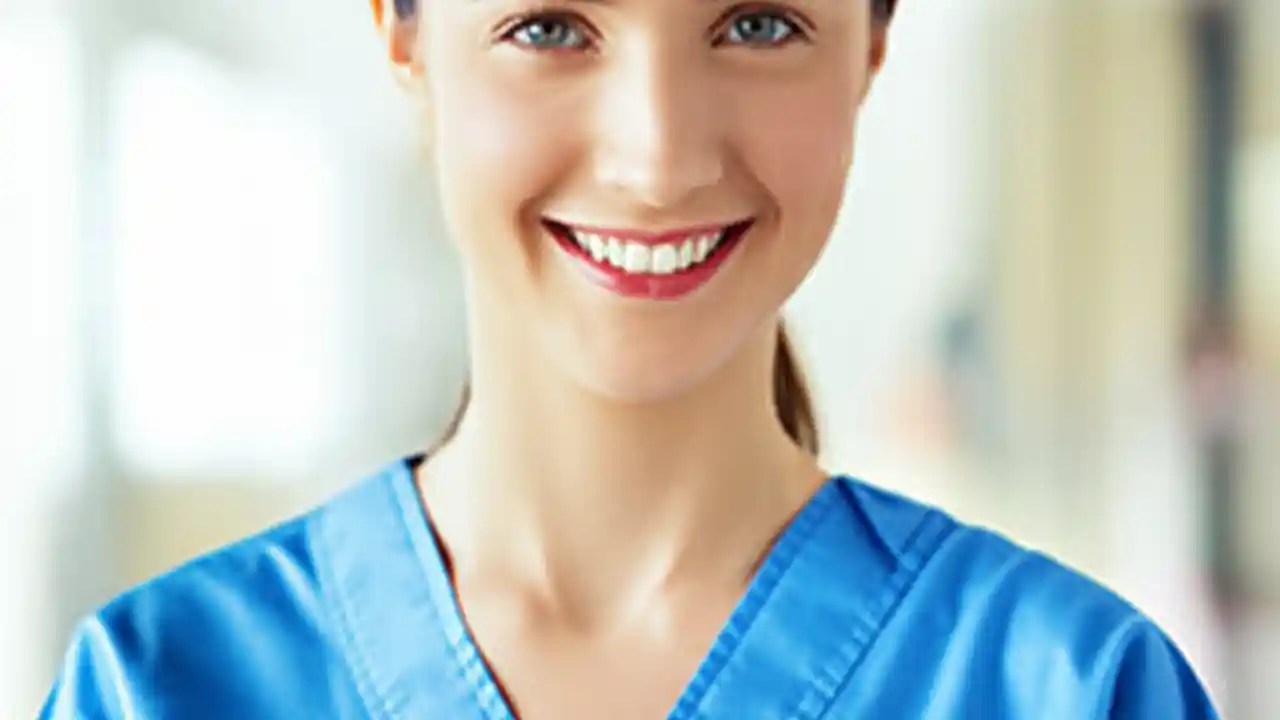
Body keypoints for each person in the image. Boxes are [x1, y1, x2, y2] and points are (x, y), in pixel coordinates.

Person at [41, 0, 1220, 717]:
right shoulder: (158, 693)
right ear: (402, 36)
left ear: (869, 43)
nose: (657, 158)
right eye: (548, 27)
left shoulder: (1072, 692)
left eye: (756, 24)